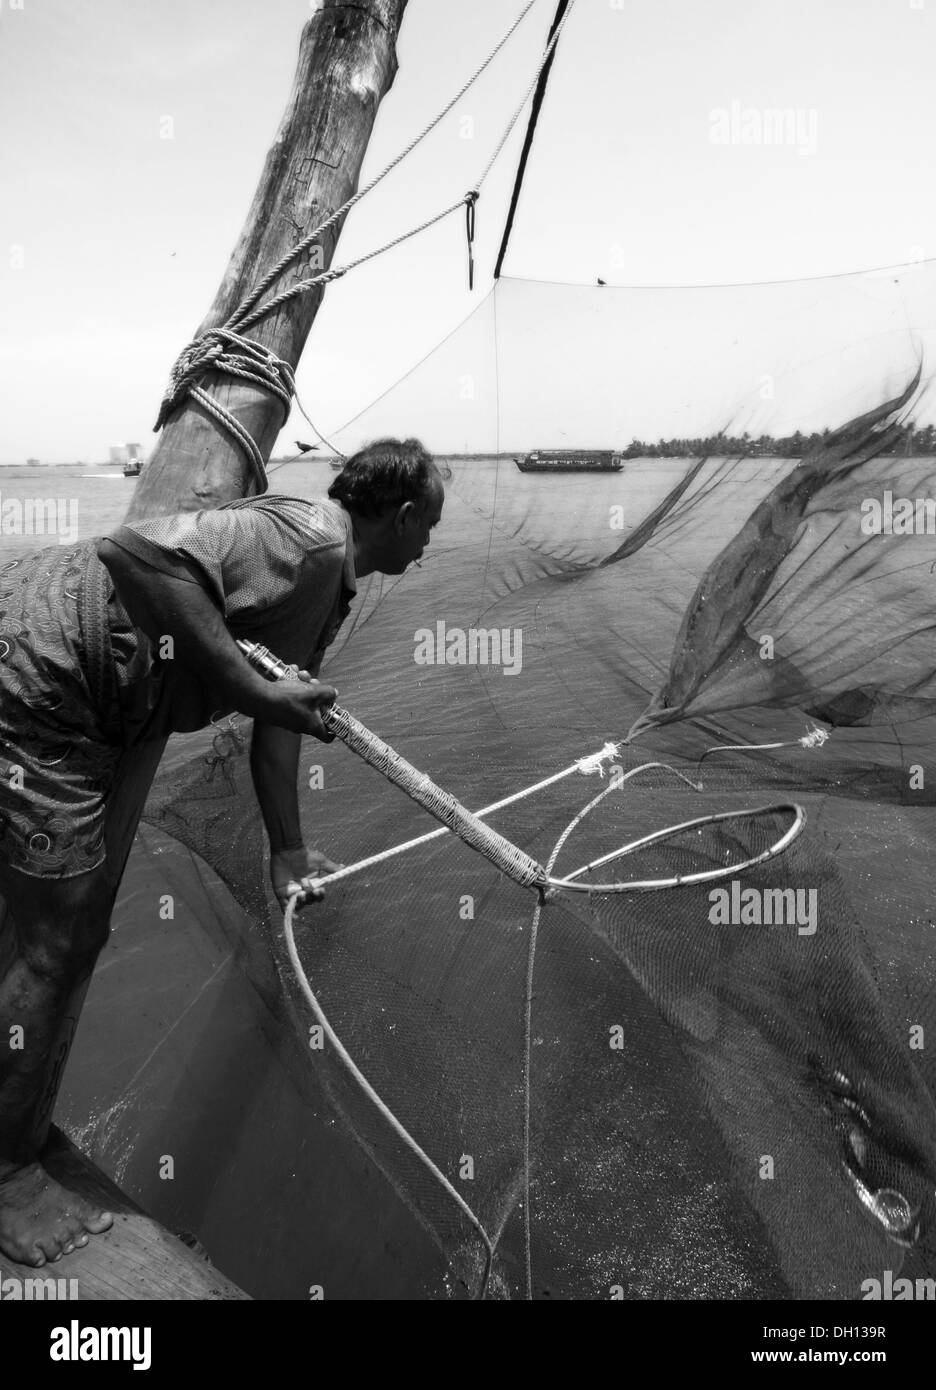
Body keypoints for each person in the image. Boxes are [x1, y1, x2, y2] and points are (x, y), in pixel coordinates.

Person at [0, 437, 445, 1267]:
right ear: (405, 513)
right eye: (429, 529)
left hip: (51, 666)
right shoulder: (309, 540)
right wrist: (245, 685)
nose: (427, 550)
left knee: (43, 921)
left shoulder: (327, 583)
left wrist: (289, 851)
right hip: (44, 675)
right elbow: (137, 551)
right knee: (60, 939)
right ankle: (8, 1174)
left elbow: (283, 722)